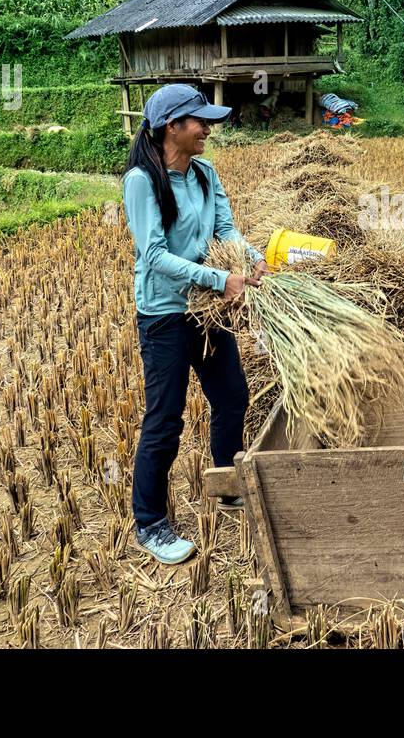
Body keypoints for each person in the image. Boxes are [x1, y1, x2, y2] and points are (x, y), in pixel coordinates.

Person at [121, 83, 267, 564]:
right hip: (165, 314)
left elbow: (225, 231)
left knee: (232, 396)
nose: (208, 128)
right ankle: (150, 523)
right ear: (172, 128)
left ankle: (226, 482)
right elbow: (155, 255)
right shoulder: (143, 180)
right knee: (165, 419)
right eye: (199, 121)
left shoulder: (204, 172)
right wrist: (220, 277)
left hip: (206, 309)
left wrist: (252, 259)